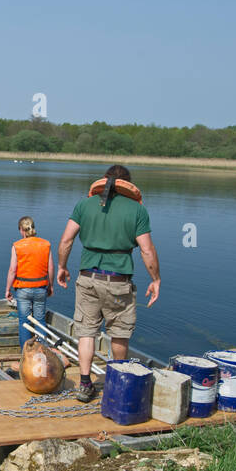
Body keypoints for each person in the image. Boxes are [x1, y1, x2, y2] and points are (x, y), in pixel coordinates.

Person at [56, 164, 160, 402]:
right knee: (120, 334)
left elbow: (66, 241)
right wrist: (155, 279)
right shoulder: (137, 210)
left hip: (87, 279)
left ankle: (84, 384)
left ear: (104, 180)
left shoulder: (84, 205)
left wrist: (62, 267)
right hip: (118, 283)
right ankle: (118, 384)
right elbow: (146, 250)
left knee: (86, 333)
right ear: (128, 184)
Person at [5, 216, 54, 350]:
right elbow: (50, 268)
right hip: (41, 289)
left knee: (24, 322)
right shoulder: (46, 244)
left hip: (23, 290)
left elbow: (12, 270)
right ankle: (41, 351)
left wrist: (7, 289)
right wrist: (51, 286)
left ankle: (25, 353)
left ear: (21, 230)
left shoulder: (17, 246)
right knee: (40, 320)